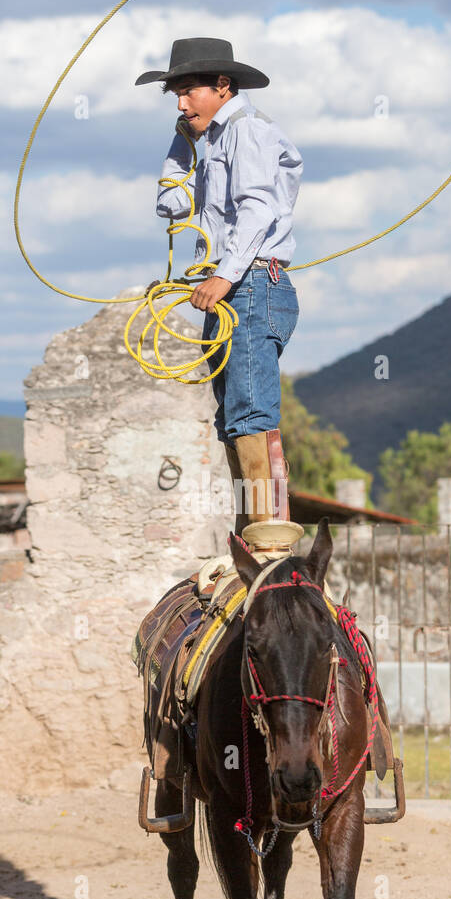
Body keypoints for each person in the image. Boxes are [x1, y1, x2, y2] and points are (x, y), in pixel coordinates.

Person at [136, 37, 304, 551]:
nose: (182, 104)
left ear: (222, 86)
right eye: (176, 96)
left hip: (252, 282)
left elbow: (257, 211)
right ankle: (247, 533)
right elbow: (170, 204)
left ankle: (268, 543)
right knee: (233, 415)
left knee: (251, 410)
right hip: (234, 287)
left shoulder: (249, 132)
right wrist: (181, 144)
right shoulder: (207, 140)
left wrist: (224, 276)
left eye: (189, 92)